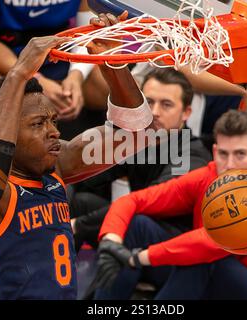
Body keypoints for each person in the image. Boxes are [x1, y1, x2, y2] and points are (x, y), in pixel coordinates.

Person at [0, 11, 157, 300]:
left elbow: (137, 134)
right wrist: (19, 73)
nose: (54, 132)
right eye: (38, 124)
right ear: (5, 128)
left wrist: (113, 65)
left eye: (53, 122)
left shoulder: (56, 167)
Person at [94, 109, 247, 300]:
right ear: (215, 152)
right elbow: (132, 200)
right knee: (138, 226)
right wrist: (110, 241)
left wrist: (138, 258)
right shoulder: (207, 176)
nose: (230, 165)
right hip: (220, 281)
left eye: (240, 154)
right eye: (224, 154)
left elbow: (209, 245)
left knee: (200, 259)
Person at [70, 68, 211, 252]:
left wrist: (79, 225)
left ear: (186, 113)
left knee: (137, 221)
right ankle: (59, 270)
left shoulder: (192, 155)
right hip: (139, 226)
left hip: (176, 247)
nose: (154, 112)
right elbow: (86, 175)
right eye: (149, 102)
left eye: (166, 104)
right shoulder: (140, 140)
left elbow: (147, 203)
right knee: (80, 199)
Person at [0, 0, 95, 125]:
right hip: (3, 56)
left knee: (105, 83)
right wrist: (33, 79)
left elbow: (88, 34)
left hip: (56, 53)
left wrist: (77, 74)